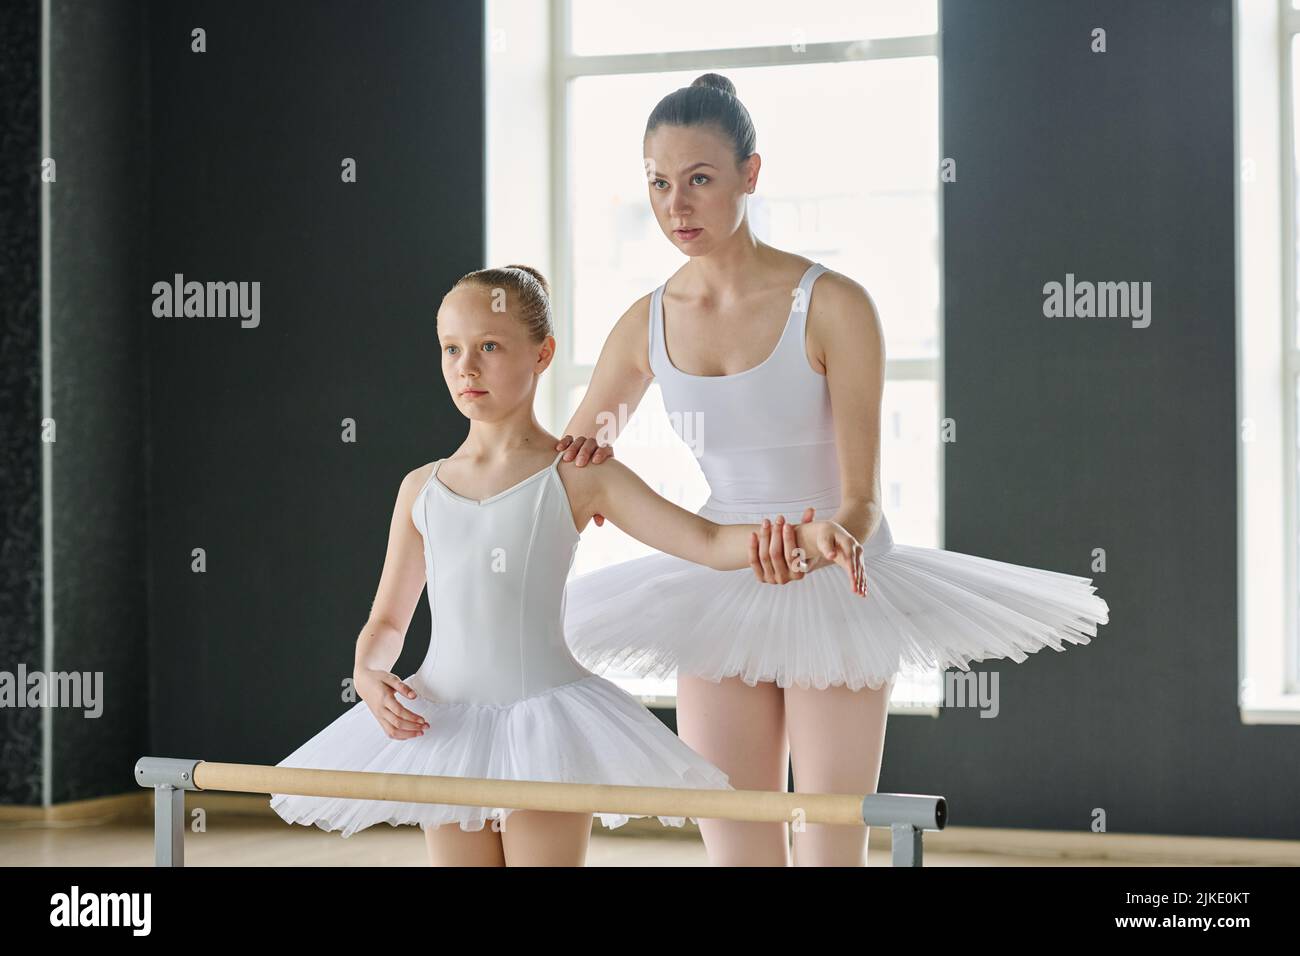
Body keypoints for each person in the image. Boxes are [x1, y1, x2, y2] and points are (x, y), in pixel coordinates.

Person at [556, 72, 1111, 867]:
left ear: (751, 173)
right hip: (722, 578)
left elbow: (861, 500)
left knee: (827, 841)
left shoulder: (832, 304)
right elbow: (578, 463)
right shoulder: (643, 325)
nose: (677, 206)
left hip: (835, 575)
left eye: (701, 180)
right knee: (737, 843)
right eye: (659, 183)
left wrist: (827, 539)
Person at [268, 263, 867, 867]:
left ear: (542, 354)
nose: (466, 367)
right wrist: (368, 672)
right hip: (441, 726)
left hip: (544, 730)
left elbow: (707, 540)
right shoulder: (420, 488)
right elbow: (388, 622)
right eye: (451, 348)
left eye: (490, 346)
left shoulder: (578, 474)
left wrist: (806, 538)